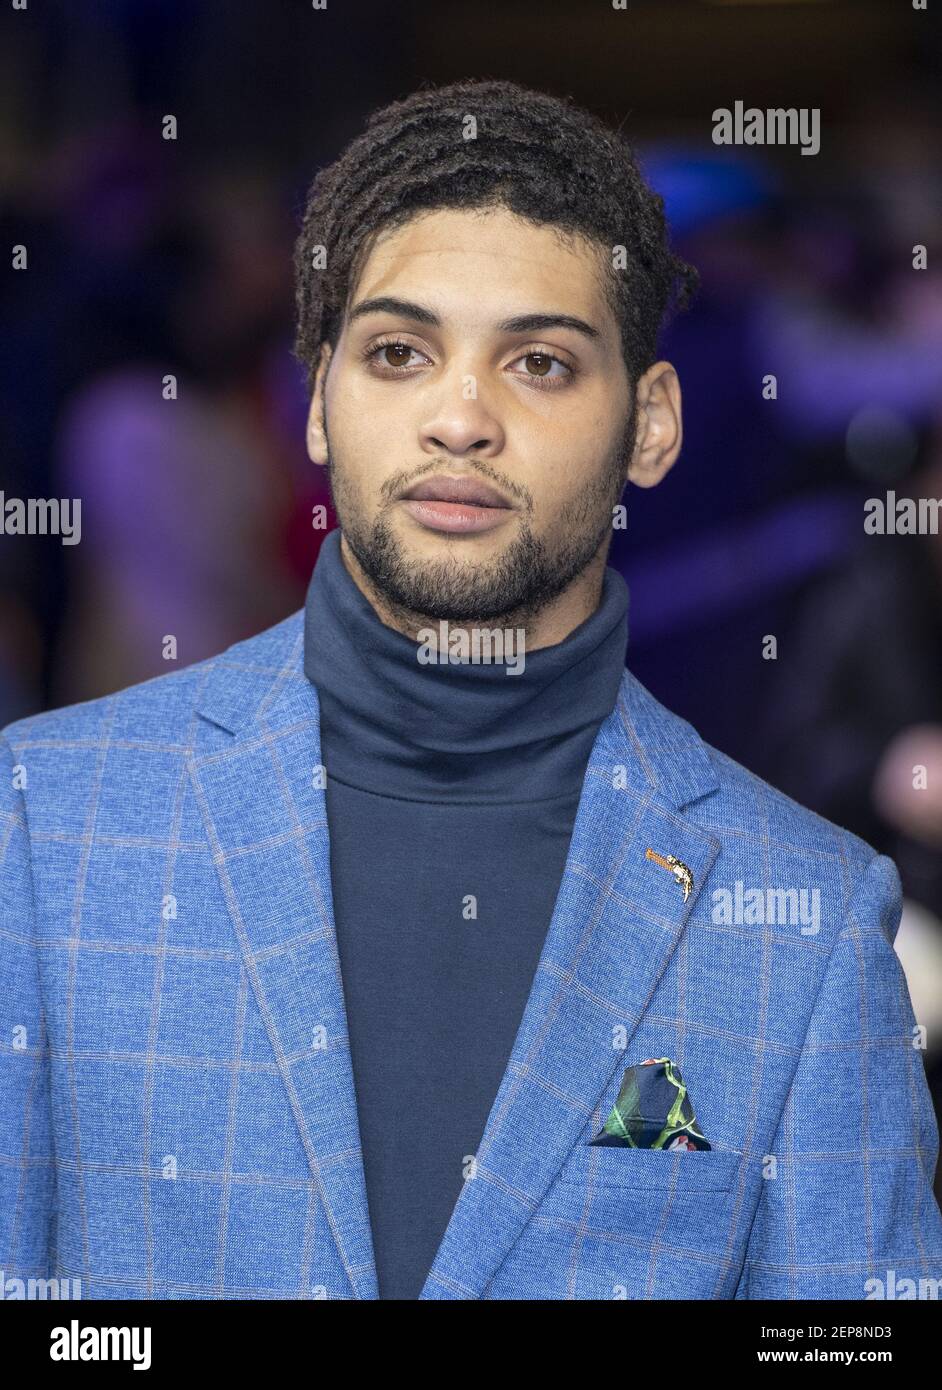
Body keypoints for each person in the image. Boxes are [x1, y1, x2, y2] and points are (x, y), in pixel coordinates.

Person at [2, 79, 940, 1302]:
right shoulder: (44, 830)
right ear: (319, 397)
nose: (460, 417)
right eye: (399, 352)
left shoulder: (804, 920)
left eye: (540, 362)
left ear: (651, 425)